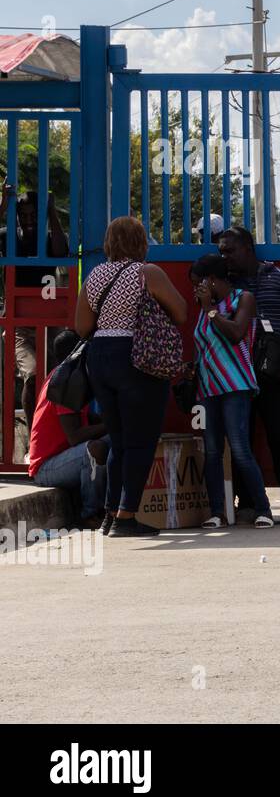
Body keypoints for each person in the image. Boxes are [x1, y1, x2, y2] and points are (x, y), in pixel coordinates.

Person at [74, 216, 187, 538]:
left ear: (109, 242)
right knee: (140, 441)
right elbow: (180, 313)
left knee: (119, 441)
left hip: (100, 358)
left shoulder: (95, 275)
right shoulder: (147, 273)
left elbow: (82, 327)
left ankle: (110, 514)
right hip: (137, 358)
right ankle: (126, 516)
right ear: (141, 242)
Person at [218, 226, 280, 524]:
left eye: (229, 250)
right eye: (221, 251)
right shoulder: (226, 284)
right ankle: (247, 504)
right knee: (241, 440)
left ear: (248, 248)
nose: (225, 256)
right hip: (238, 374)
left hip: (274, 373)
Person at [188, 254, 273, 530]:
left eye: (198, 283)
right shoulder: (203, 308)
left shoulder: (242, 298)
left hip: (236, 385)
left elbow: (236, 333)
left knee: (240, 450)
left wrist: (211, 310)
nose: (195, 290)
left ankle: (264, 510)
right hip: (209, 388)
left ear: (211, 280)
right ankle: (217, 512)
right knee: (212, 451)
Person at [1, 185, 71, 433]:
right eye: (24, 216)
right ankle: (34, 438)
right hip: (20, 323)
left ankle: (53, 434)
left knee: (55, 378)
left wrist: (51, 211)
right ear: (17, 217)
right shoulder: (9, 236)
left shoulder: (49, 239)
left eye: (34, 215)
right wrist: (4, 206)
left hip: (51, 322)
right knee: (31, 376)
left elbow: (62, 253)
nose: (29, 221)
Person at [28, 330, 108, 527]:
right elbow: (75, 437)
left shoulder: (69, 376)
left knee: (114, 440)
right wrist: (109, 425)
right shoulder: (65, 382)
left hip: (63, 458)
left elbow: (87, 418)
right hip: (46, 468)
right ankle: (90, 513)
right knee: (95, 449)